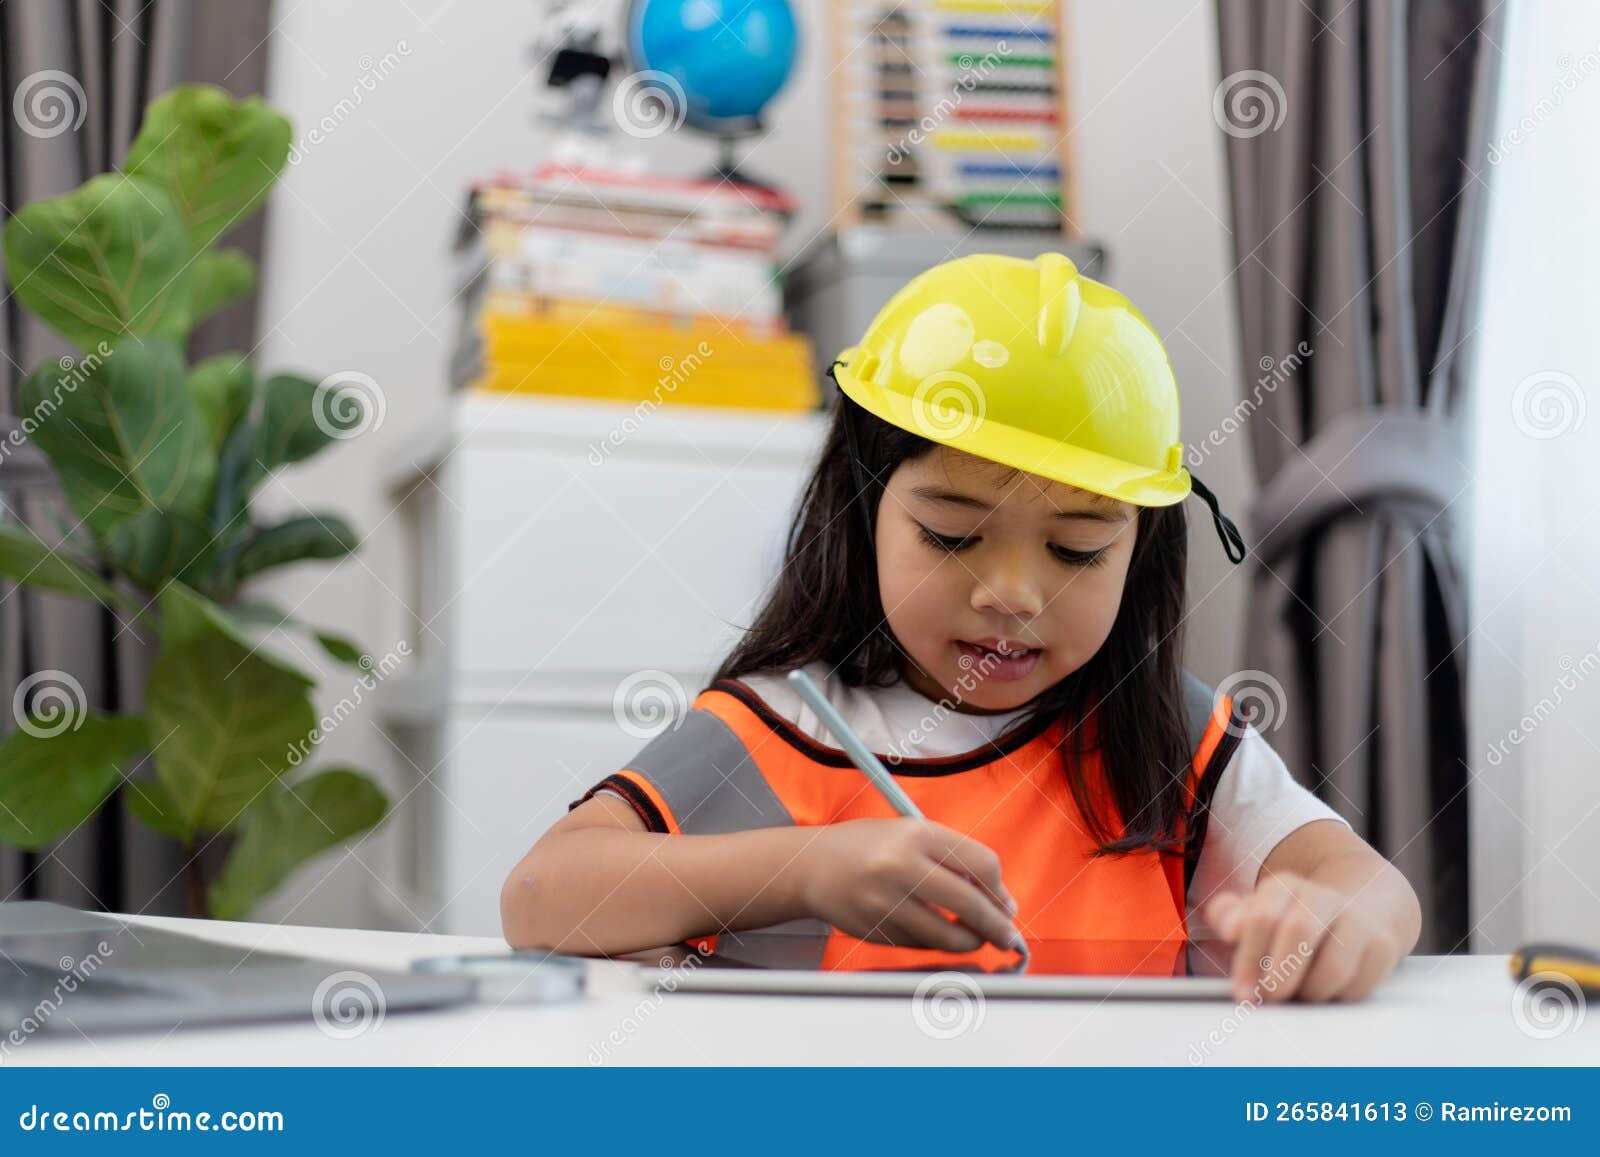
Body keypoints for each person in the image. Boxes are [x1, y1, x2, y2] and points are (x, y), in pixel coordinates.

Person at [502, 252, 1421, 1003]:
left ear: (1140, 553)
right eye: (952, 535)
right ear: (863, 509)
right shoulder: (788, 724)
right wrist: (810, 869)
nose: (1014, 593)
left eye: (1077, 550)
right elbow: (542, 896)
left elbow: (1373, 885)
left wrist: (1338, 919)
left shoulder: (1166, 737)